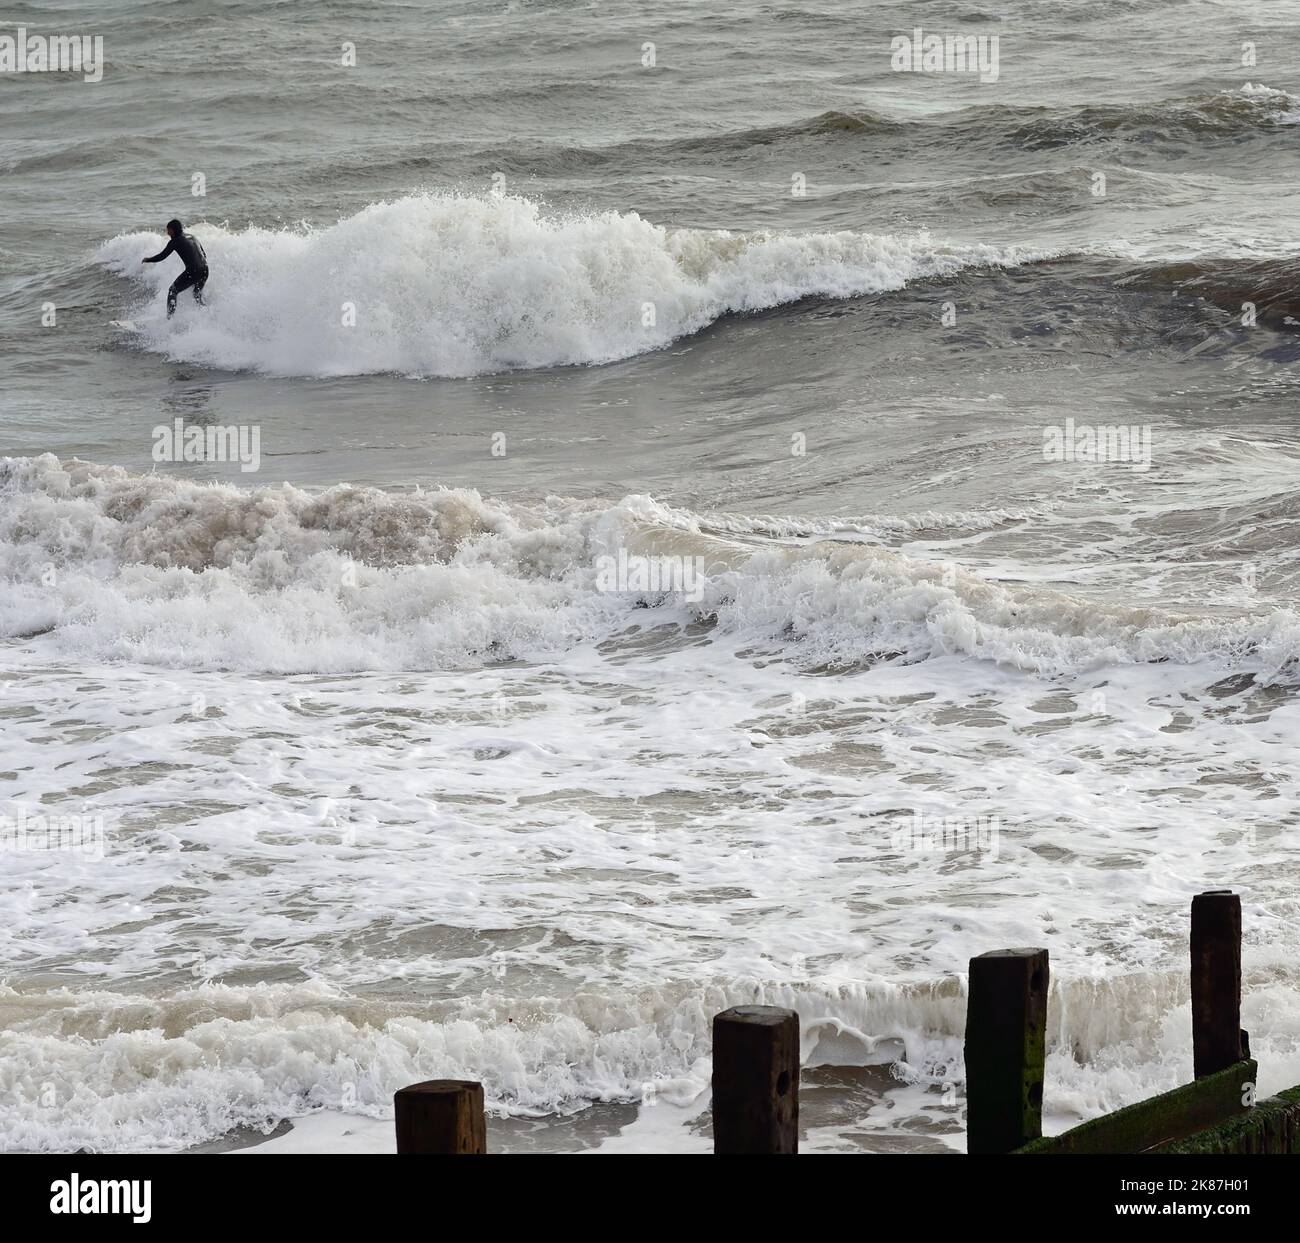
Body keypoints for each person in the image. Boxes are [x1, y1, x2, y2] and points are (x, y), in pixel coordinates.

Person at [142, 219, 208, 317]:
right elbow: (204, 255)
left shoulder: (175, 241)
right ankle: (205, 313)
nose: (167, 233)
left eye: (168, 230)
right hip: (205, 270)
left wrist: (148, 259)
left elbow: (162, 256)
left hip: (193, 271)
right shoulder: (192, 237)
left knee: (173, 291)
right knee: (196, 294)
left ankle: (169, 319)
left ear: (172, 230)